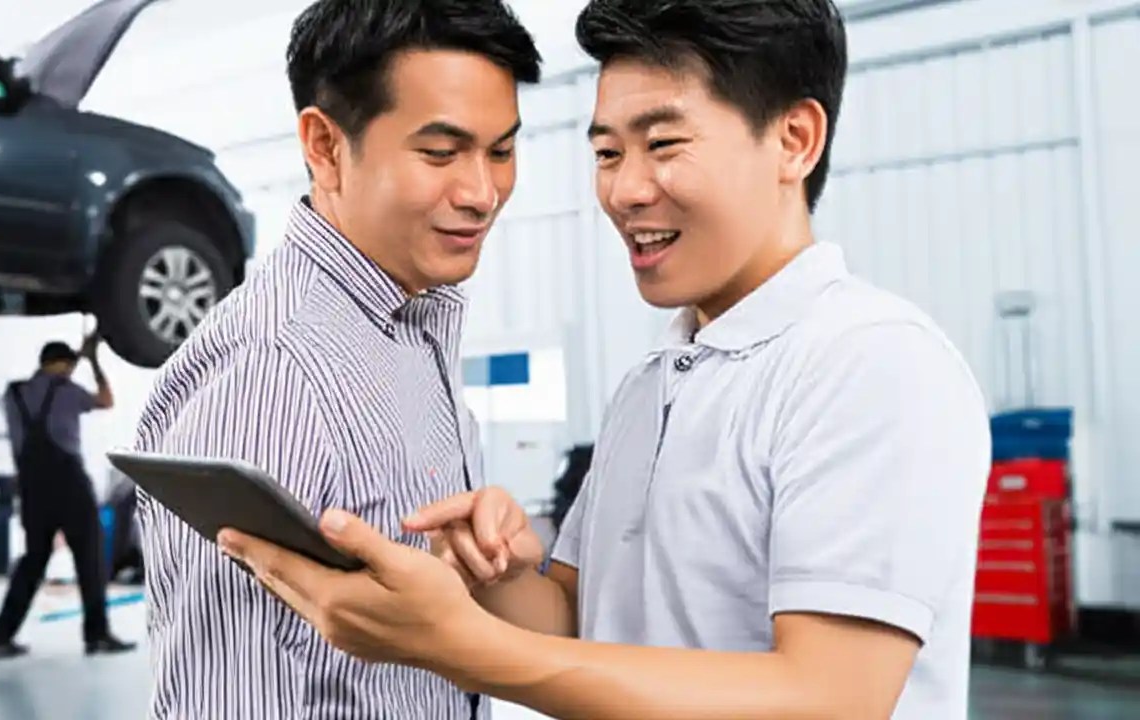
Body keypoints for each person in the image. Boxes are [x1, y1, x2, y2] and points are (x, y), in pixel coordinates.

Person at [216, 1, 992, 718]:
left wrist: (460, 647)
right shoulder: (654, 383)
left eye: (662, 145)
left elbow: (827, 698)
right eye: (607, 152)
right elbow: (575, 620)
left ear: (794, 141)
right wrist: (498, 576)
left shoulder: (869, 363)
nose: (624, 190)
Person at [129, 1, 541, 717]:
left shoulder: (411, 324)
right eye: (440, 153)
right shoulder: (275, 370)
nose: (481, 193)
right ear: (323, 146)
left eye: (501, 151)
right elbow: (230, 695)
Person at [0, 333, 134, 659]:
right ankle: (97, 635)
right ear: (66, 365)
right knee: (90, 557)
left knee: (33, 561)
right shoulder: (67, 390)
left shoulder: (15, 393)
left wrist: (75, 360)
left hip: (32, 488)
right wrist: (93, 360)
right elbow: (107, 400)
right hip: (68, 484)